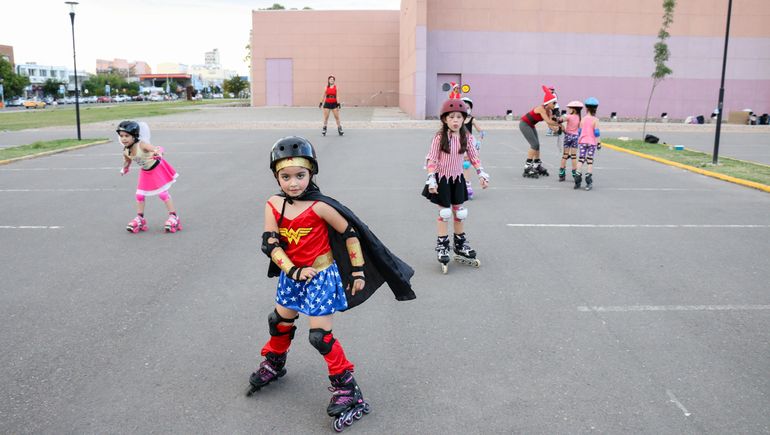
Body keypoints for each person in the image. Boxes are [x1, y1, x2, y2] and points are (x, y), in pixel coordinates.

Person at [248, 136, 416, 431]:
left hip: (321, 277)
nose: (293, 183)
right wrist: (293, 270)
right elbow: (270, 244)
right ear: (276, 176)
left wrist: (359, 271)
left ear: (311, 173)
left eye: (300, 175)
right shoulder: (273, 204)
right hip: (293, 276)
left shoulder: (320, 207)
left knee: (320, 337)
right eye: (285, 176)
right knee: (279, 322)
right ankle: (275, 362)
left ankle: (347, 388)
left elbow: (351, 233)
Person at [422, 99, 490, 274]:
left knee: (459, 213)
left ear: (464, 119)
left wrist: (481, 173)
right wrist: (431, 178)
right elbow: (432, 158)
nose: (455, 120)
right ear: (445, 119)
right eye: (451, 117)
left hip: (457, 179)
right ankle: (443, 246)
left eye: (459, 117)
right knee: (444, 213)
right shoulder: (439, 137)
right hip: (442, 179)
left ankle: (460, 244)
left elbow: (474, 156)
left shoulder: (466, 137)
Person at [118, 121, 181, 233]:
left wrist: (158, 152)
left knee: (162, 193)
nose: (123, 139)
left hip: (157, 168)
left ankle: (174, 217)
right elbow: (127, 161)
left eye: (127, 136)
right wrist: (125, 169)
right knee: (139, 195)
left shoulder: (141, 144)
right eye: (121, 136)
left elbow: (157, 148)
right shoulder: (126, 150)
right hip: (145, 171)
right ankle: (140, 219)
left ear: (134, 135)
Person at [519, 85, 563, 178]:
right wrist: (560, 125)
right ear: (548, 102)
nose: (555, 105)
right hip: (524, 124)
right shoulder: (541, 109)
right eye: (554, 103)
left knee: (537, 145)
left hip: (531, 125)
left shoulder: (549, 112)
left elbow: (550, 125)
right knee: (534, 145)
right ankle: (527, 167)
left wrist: (556, 129)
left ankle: (536, 165)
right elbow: (548, 121)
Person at [574, 97, 601, 191]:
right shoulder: (595, 120)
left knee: (581, 159)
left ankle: (577, 178)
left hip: (582, 142)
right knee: (589, 160)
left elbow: (579, 131)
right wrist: (599, 143)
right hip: (592, 143)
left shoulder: (583, 119)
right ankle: (588, 181)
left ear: (586, 108)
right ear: (595, 109)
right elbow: (596, 133)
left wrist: (578, 141)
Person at [461, 97, 485, 199]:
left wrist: (479, 141)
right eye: (464, 107)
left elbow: (482, 132)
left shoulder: (472, 119)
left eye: (468, 107)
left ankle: (467, 186)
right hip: (456, 142)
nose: (466, 109)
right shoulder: (457, 118)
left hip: (469, 143)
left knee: (466, 165)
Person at [558, 101, 583, 182]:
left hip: (568, 136)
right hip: (575, 137)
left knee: (565, 155)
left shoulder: (569, 116)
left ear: (574, 109)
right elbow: (580, 129)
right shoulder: (579, 118)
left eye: (570, 108)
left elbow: (560, 120)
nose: (569, 109)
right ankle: (574, 173)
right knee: (574, 156)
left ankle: (561, 173)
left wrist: (559, 120)